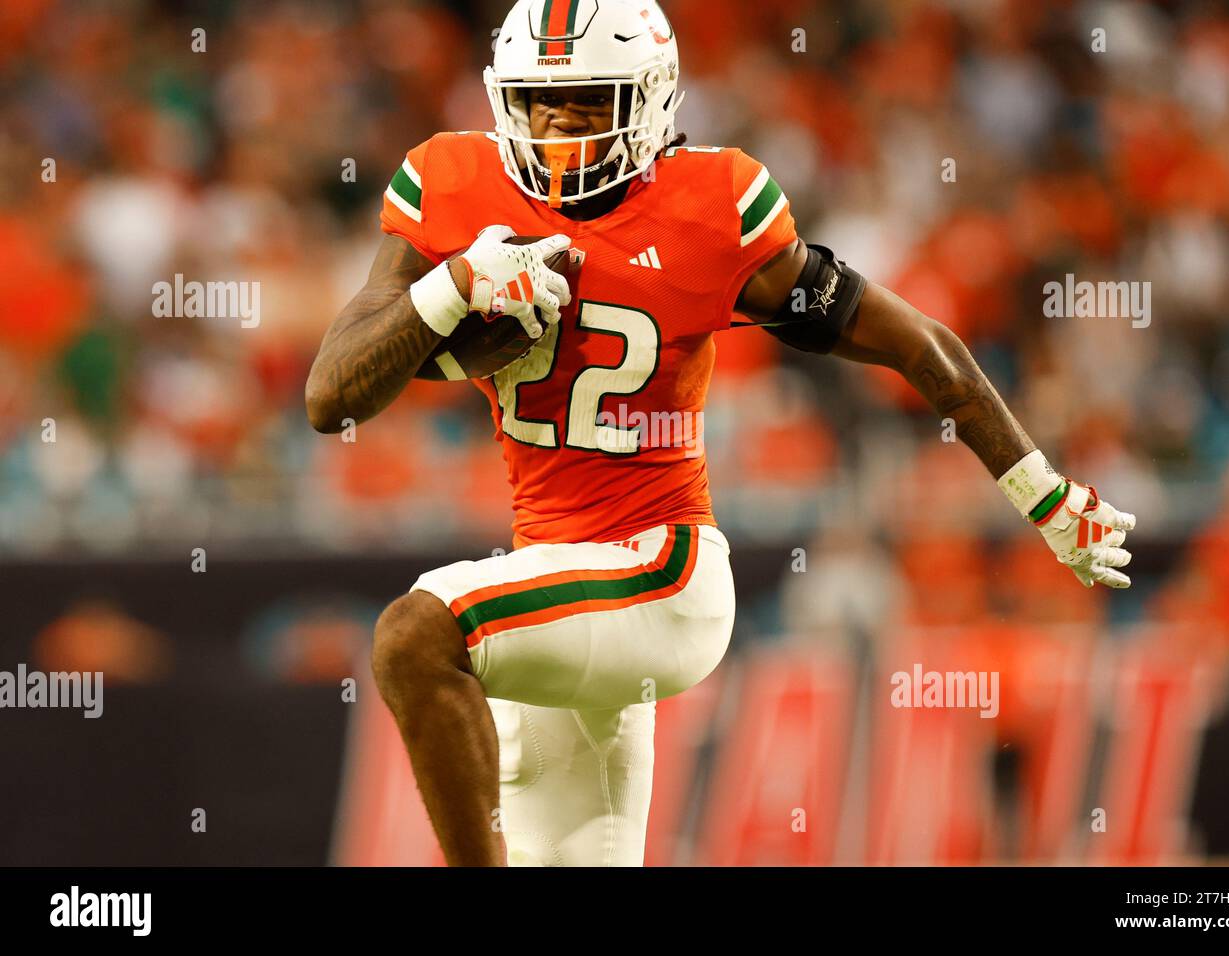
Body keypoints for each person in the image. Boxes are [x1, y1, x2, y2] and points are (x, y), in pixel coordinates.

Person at [305, 0, 1135, 867]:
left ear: (651, 99)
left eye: (588, 100)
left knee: (416, 634)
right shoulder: (452, 185)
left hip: (664, 575)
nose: (556, 126)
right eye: (536, 101)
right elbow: (333, 398)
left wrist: (1042, 493)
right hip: (556, 587)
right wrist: (455, 283)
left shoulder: (711, 206)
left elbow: (917, 344)